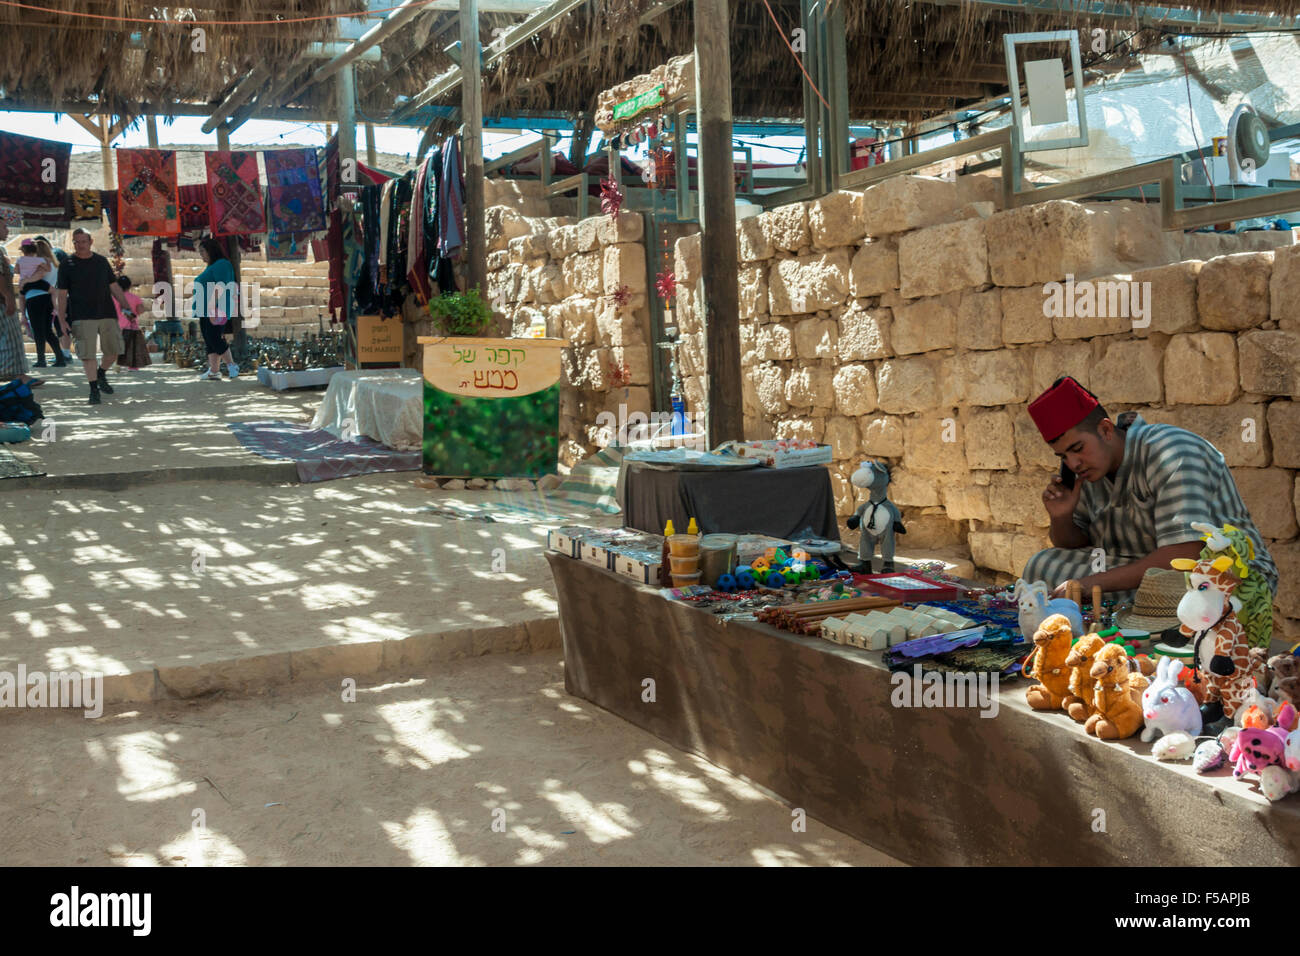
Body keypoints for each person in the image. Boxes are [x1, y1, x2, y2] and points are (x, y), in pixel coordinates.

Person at [1023, 375, 1278, 603]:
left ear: (1105, 429)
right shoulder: (1087, 471)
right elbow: (1074, 543)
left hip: (1215, 573)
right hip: (1143, 570)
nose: (1073, 463)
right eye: (1063, 456)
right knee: (1042, 565)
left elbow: (1186, 552)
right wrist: (1061, 516)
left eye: (1077, 449)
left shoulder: (1172, 450)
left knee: (1178, 589)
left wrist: (1089, 586)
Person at [56, 227, 135, 405]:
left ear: (91, 242)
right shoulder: (67, 264)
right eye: (77, 242)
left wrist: (127, 308)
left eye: (84, 241)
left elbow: (114, 287)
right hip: (81, 315)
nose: (80, 245)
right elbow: (61, 294)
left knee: (114, 351)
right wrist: (62, 320)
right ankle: (93, 390)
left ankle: (101, 374)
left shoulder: (101, 261)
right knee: (87, 354)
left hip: (106, 312)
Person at [0, 223, 43, 388]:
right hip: (2, 302)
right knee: (12, 338)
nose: (7, 230)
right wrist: (8, 297)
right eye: (3, 227)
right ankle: (19, 375)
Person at [192, 237, 239, 381]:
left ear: (211, 251)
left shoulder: (222, 264)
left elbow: (222, 285)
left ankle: (231, 365)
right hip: (205, 308)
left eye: (203, 252)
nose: (202, 255)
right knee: (209, 338)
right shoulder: (212, 266)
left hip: (216, 308)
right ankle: (214, 371)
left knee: (214, 337)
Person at [17, 238, 66, 368]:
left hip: (35, 298)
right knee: (48, 331)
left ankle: (41, 359)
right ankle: (60, 358)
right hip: (48, 298)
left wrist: (25, 281)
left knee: (38, 330)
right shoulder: (54, 265)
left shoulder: (40, 264)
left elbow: (35, 278)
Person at [113, 275, 151, 371]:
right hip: (131, 326)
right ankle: (132, 366)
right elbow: (140, 310)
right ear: (129, 286)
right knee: (132, 348)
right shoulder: (135, 298)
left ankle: (117, 364)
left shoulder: (113, 298)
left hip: (116, 326)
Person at [51, 248, 74, 361]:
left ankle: (66, 354)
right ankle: (65, 352)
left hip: (64, 301)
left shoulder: (63, 271)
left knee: (63, 327)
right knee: (61, 327)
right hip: (65, 300)